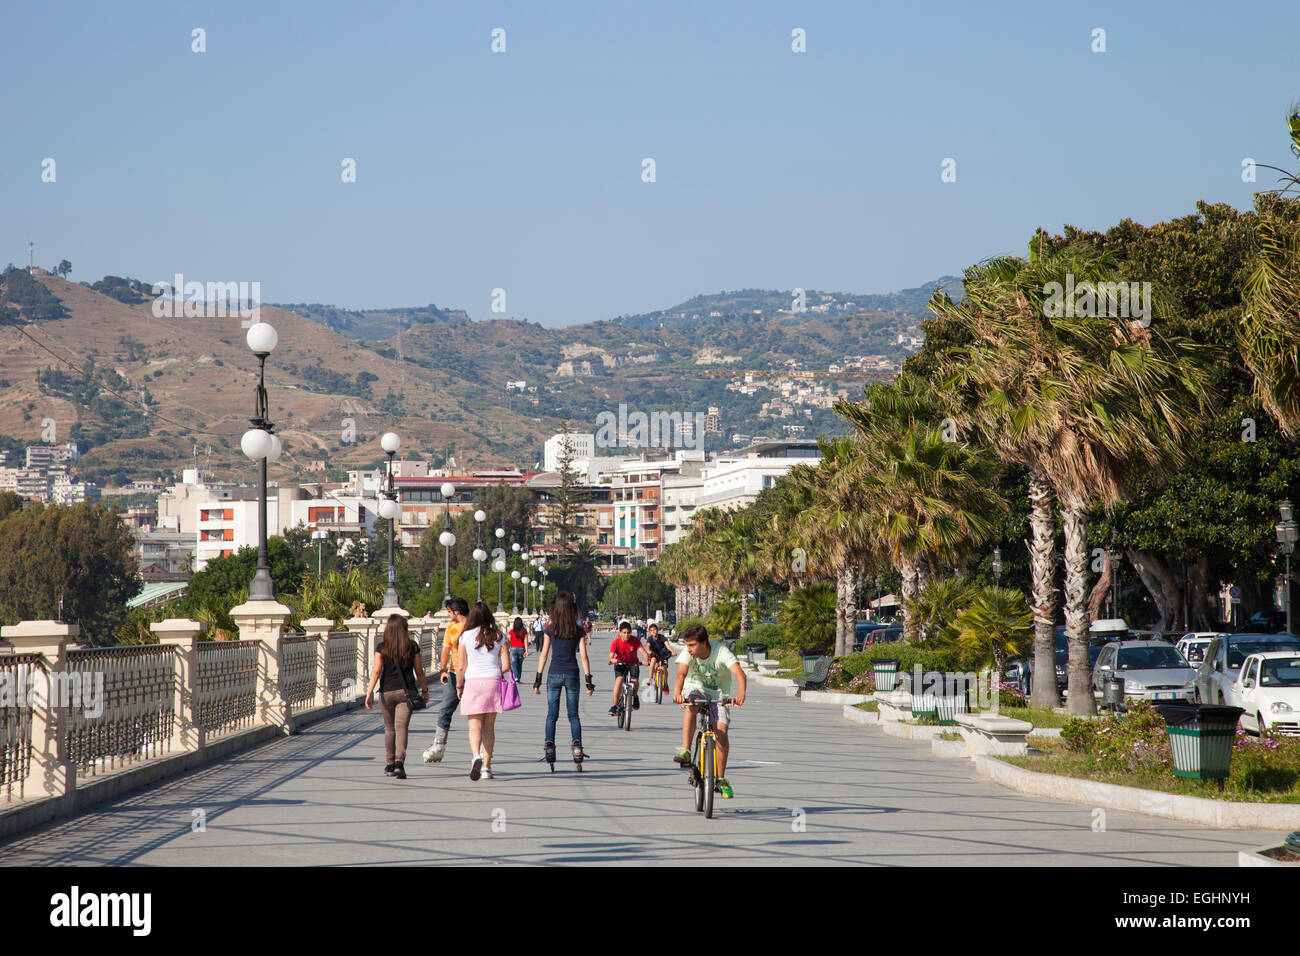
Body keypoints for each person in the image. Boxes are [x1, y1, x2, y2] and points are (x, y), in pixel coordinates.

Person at [671, 623, 747, 799]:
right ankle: (686, 750)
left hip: (718, 695)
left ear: (704, 642)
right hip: (694, 689)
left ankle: (720, 779)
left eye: (692, 645)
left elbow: (739, 674)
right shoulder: (688, 653)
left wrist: (740, 695)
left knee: (721, 732)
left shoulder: (721, 651)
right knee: (692, 704)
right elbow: (681, 674)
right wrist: (677, 693)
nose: (688, 649)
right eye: (687, 645)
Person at [533, 590, 595, 765]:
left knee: (552, 715)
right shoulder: (577, 630)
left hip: (553, 674)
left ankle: (550, 746)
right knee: (573, 715)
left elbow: (543, 654)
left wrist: (537, 679)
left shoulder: (550, 629)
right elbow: (583, 656)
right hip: (572, 674)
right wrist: (588, 681)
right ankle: (577, 747)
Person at [364, 613, 428, 780]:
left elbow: (376, 670)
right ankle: (400, 763)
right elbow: (419, 671)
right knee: (402, 728)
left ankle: (389, 763)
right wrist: (425, 690)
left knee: (389, 728)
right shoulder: (412, 646)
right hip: (406, 692)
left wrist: (369, 692)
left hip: (386, 692)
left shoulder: (382, 647)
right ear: (404, 628)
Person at [456, 601, 512, 780]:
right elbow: (507, 666)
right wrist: (494, 670)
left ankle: (476, 757)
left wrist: (459, 686)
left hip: (473, 681)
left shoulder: (465, 636)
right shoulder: (499, 636)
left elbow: (460, 666)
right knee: (489, 728)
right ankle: (487, 768)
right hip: (493, 681)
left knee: (474, 727)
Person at [422, 596, 468, 763]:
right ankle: (438, 746)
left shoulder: (473, 626)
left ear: (456, 611)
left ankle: (480, 751)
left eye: (449, 612)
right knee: (445, 709)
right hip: (454, 673)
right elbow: (446, 649)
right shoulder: (451, 627)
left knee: (476, 714)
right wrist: (443, 670)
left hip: (472, 675)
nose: (448, 615)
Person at [607, 620, 648, 715]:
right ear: (619, 632)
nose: (626, 635)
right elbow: (610, 658)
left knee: (635, 681)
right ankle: (614, 705)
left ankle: (635, 695)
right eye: (624, 633)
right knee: (619, 679)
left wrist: (646, 660)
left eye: (628, 633)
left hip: (633, 664)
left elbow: (643, 652)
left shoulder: (635, 640)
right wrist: (613, 660)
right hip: (620, 664)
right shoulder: (615, 643)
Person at [644, 621, 676, 692]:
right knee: (653, 661)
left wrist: (673, 651)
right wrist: (649, 652)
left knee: (664, 667)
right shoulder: (650, 639)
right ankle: (651, 678)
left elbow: (668, 646)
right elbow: (648, 647)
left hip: (663, 655)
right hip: (654, 654)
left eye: (655, 630)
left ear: (657, 630)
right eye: (651, 631)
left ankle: (665, 683)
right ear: (649, 632)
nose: (653, 632)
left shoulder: (662, 637)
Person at [508, 616, 529, 682]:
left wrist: (507, 649)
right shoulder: (524, 631)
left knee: (514, 664)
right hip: (521, 649)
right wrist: (526, 651)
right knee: (519, 664)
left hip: (513, 648)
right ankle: (518, 677)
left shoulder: (511, 631)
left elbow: (508, 640)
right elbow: (526, 641)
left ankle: (516, 677)